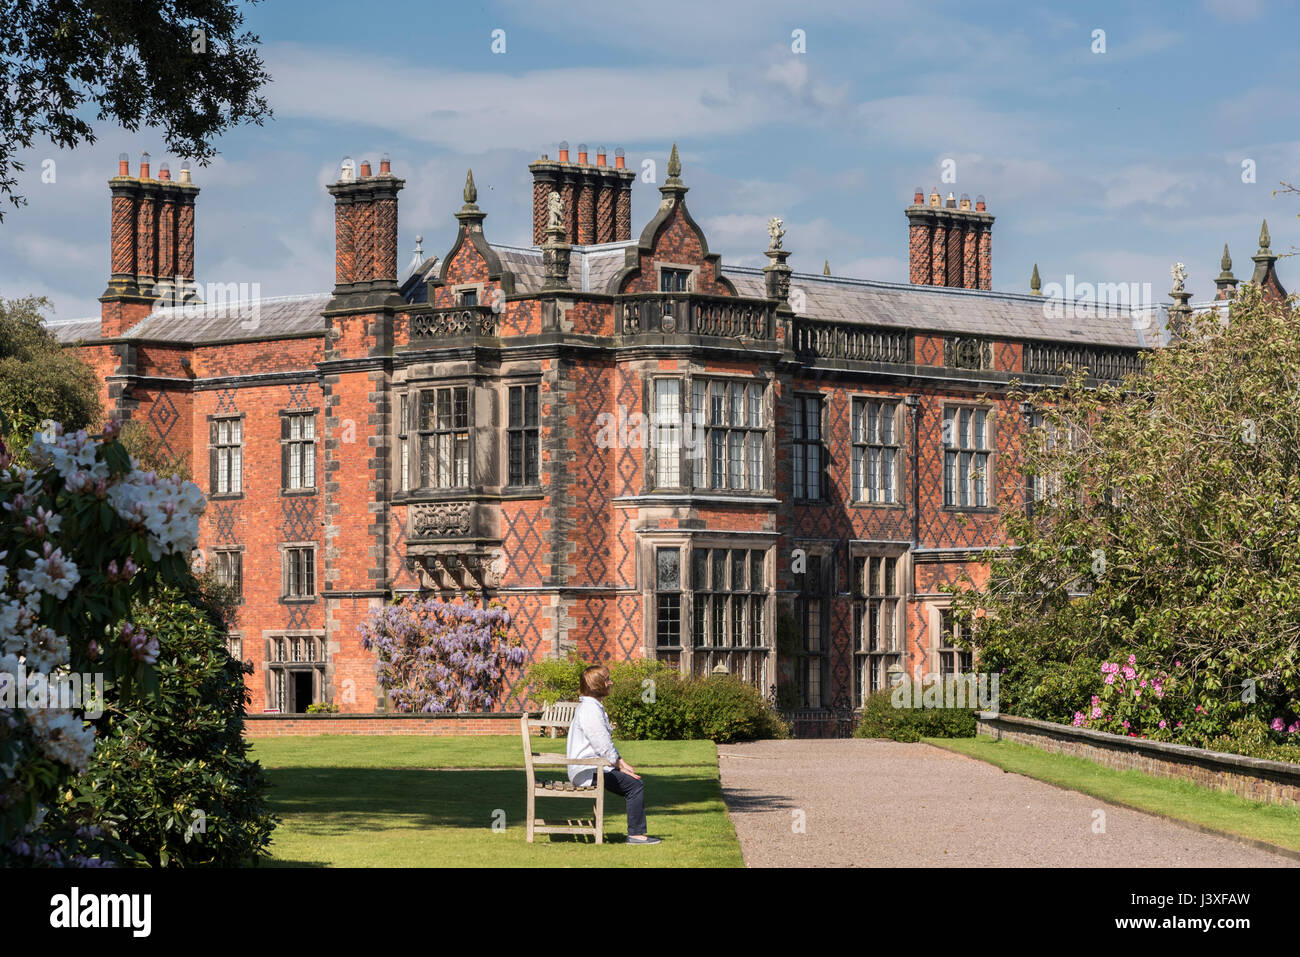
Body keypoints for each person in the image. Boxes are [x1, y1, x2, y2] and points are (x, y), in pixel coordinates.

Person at [566, 665, 660, 845]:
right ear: (598, 685)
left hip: (593, 766)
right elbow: (602, 745)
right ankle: (636, 835)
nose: (611, 682)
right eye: (607, 680)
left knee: (633, 781)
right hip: (588, 770)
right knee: (634, 786)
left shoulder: (591, 707)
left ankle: (636, 833)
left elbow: (605, 745)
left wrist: (622, 763)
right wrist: (619, 766)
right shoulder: (590, 710)